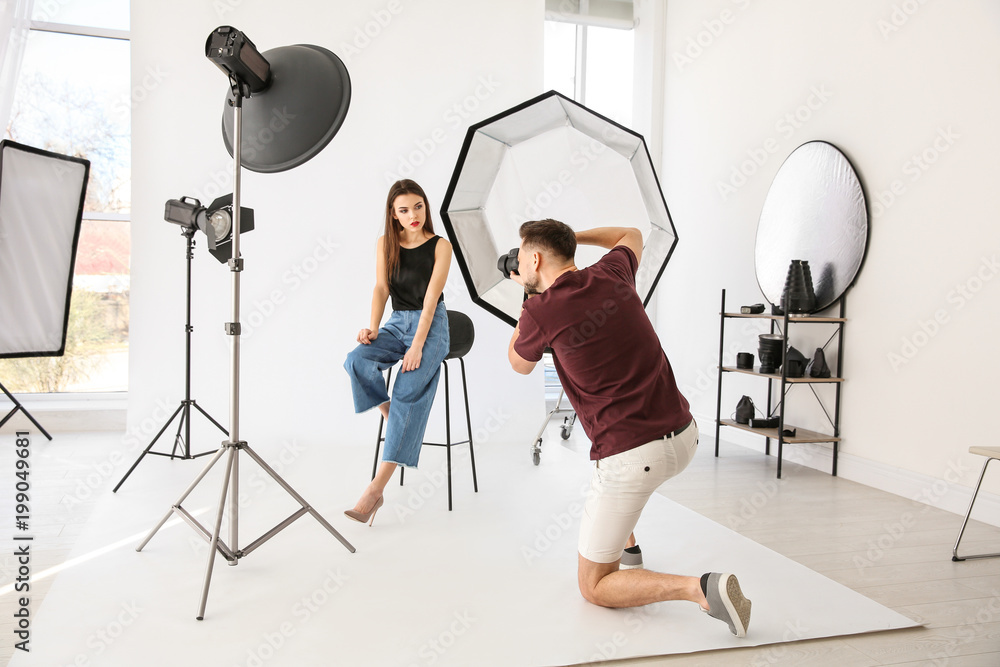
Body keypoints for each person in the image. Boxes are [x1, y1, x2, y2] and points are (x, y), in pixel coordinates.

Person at [507, 219, 752, 637]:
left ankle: (702, 589)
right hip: (684, 433)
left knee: (593, 585)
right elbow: (631, 235)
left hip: (634, 457)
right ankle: (629, 548)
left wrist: (527, 297)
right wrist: (573, 237)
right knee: (612, 465)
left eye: (523, 256)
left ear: (533, 258)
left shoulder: (540, 310)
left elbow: (519, 363)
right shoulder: (611, 271)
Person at [343, 179, 452, 526]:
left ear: (425, 206)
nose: (413, 215)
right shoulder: (385, 244)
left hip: (431, 327)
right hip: (396, 322)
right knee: (357, 360)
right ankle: (395, 416)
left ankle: (374, 491)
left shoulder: (440, 246)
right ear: (393, 214)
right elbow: (380, 288)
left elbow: (432, 299)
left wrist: (418, 345)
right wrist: (373, 327)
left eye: (418, 206)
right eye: (404, 210)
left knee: (406, 388)